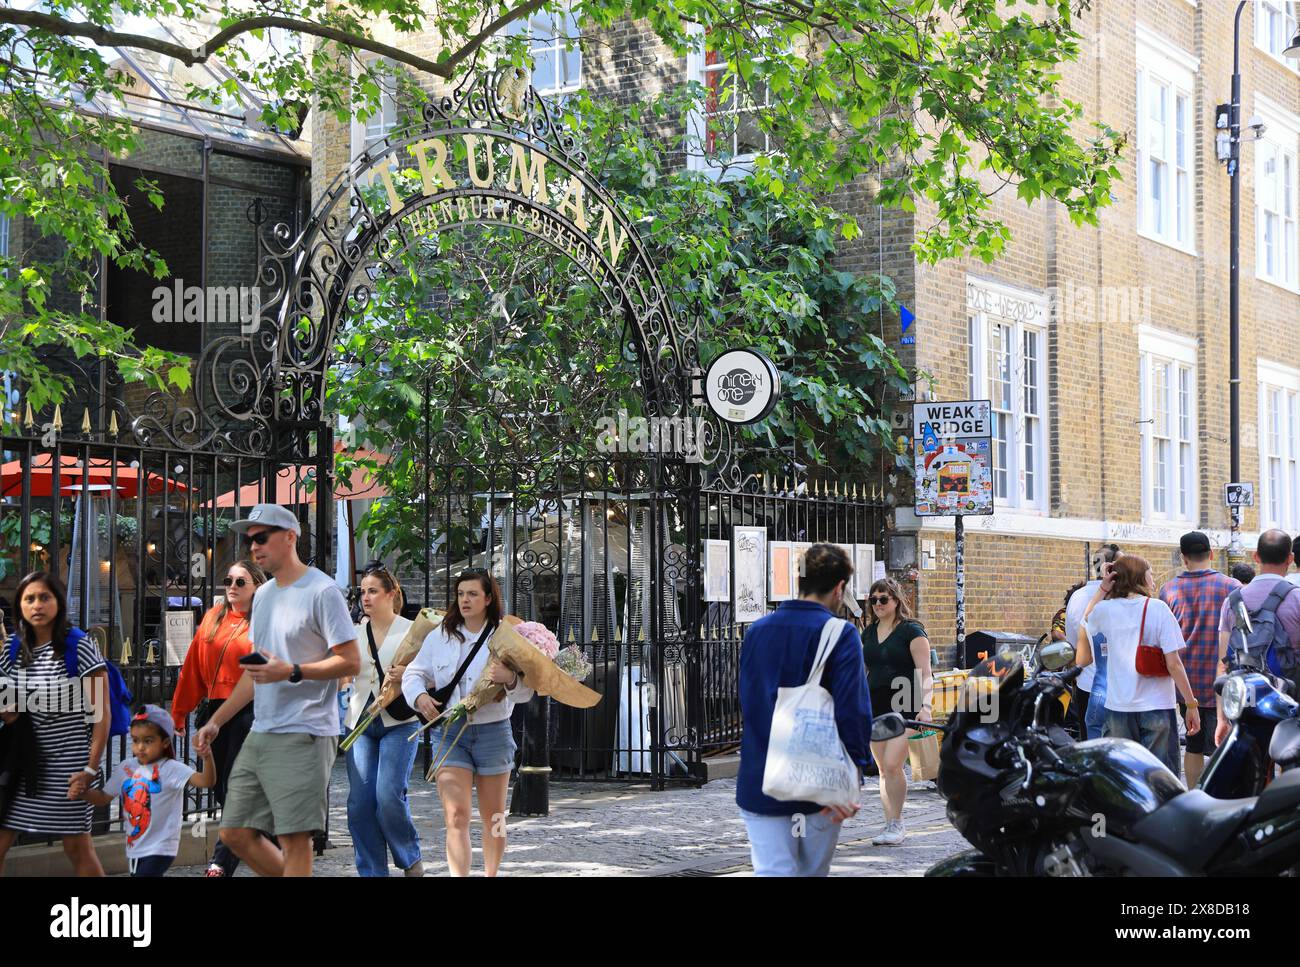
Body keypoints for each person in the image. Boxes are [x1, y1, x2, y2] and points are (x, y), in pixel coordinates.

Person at [192, 504, 360, 878]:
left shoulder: (322, 590)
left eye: (262, 537)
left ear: (289, 537)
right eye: (250, 539)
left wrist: (293, 671)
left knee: (294, 838)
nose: (254, 546)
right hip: (262, 730)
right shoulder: (264, 595)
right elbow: (256, 673)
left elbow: (351, 661)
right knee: (234, 831)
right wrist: (217, 721)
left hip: (306, 732)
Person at [735, 544, 871, 876]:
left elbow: (749, 704)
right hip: (819, 783)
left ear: (799, 579)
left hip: (761, 777)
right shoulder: (841, 634)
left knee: (772, 871)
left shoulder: (757, 631)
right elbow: (853, 711)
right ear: (840, 587)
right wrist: (852, 775)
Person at [402, 569, 533, 877]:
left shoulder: (506, 637)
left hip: (493, 733)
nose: (465, 600)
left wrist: (511, 679)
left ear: (488, 598)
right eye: (461, 594)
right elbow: (414, 673)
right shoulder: (441, 635)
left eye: (473, 594)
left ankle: (491, 874)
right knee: (456, 816)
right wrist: (419, 697)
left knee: (495, 816)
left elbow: (528, 692)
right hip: (451, 734)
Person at [0, 572, 110, 876]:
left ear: (59, 603)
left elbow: (101, 714)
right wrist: (7, 709)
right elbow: (6, 704)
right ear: (19, 605)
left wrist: (90, 769)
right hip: (22, 765)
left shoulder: (79, 646)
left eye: (44, 597)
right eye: (29, 599)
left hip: (68, 767)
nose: (37, 605)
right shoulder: (13, 648)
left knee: (77, 848)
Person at [169, 559, 267, 877]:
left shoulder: (264, 621)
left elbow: (257, 675)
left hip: (250, 712)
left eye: (241, 582)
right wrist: (180, 710)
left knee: (236, 787)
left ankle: (220, 863)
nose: (233, 587)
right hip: (214, 709)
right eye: (228, 581)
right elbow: (193, 667)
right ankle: (268, 837)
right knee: (220, 788)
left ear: (258, 586)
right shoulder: (214, 616)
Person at [1076, 555, 1200, 775]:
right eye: (1150, 572)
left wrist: (1103, 589)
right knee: (1161, 777)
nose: (1153, 578)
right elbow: (1174, 664)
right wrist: (1191, 705)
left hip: (1118, 707)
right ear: (1140, 577)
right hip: (1157, 706)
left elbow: (1086, 620)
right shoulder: (1158, 609)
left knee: (1124, 778)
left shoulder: (1106, 610)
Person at [345, 563, 424, 877]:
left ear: (392, 594)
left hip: (399, 722)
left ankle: (409, 857)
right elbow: (343, 671)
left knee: (387, 796)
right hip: (361, 722)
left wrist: (408, 673)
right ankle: (372, 872)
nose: (366, 597)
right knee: (360, 803)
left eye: (373, 591)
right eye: (363, 592)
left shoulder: (412, 632)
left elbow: (431, 675)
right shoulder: (353, 633)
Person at [78, 705, 216, 876]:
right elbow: (103, 798)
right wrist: (82, 792)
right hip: (136, 847)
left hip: (161, 848)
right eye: (135, 740)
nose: (140, 747)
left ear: (165, 742)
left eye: (148, 741)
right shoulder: (126, 768)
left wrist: (207, 756)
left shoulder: (171, 768)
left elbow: (207, 781)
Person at [1158, 532, 1239, 786]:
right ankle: (1220, 796)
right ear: (1211, 554)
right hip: (1222, 683)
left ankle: (1193, 794)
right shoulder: (1232, 587)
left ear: (1184, 558)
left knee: (1192, 744)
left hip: (1186, 682)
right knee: (1223, 745)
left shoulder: (1168, 590)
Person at [862, 577, 932, 846]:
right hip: (875, 706)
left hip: (907, 707)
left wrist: (926, 707)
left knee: (893, 764)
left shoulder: (911, 631)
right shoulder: (868, 633)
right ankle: (890, 822)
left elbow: (925, 672)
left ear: (896, 600)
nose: (878, 604)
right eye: (873, 600)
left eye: (883, 599)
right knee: (882, 769)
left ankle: (897, 822)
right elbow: (864, 670)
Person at [1216, 529, 1300, 746]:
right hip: (1291, 698)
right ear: (1290, 559)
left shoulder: (1232, 601)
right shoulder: (1297, 597)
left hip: (1247, 700)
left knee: (1253, 768)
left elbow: (1223, 663)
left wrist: (1221, 717)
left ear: (1256, 556)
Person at [1065, 543, 1121, 739]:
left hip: (1085, 683)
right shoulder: (1121, 597)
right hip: (1117, 687)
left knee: (1089, 742)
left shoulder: (1077, 597)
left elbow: (1071, 643)